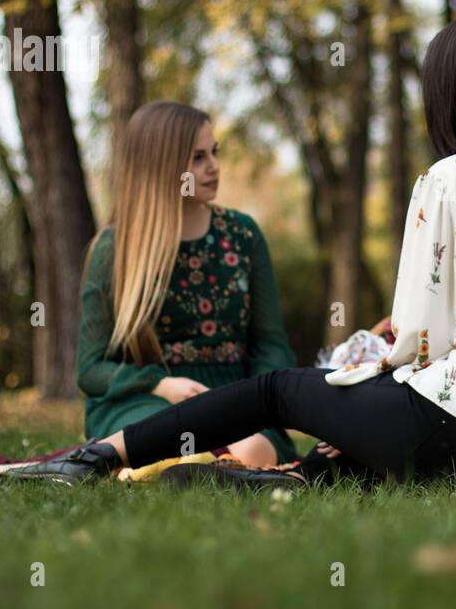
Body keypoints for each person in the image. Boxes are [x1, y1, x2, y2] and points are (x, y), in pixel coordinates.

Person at [4, 16, 456, 489]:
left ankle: (97, 456)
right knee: (362, 441)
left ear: (453, 94)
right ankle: (286, 482)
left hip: (452, 423)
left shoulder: (449, 178)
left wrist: (353, 396)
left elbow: (419, 344)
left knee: (279, 390)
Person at [75, 100, 297, 468]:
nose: (214, 167)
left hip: (235, 397)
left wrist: (258, 400)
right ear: (162, 167)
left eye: (214, 152)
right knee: (167, 441)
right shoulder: (115, 248)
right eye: (197, 157)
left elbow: (271, 346)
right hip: (145, 400)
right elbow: (90, 369)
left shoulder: (243, 235)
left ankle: (206, 465)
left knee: (252, 451)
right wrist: (159, 384)